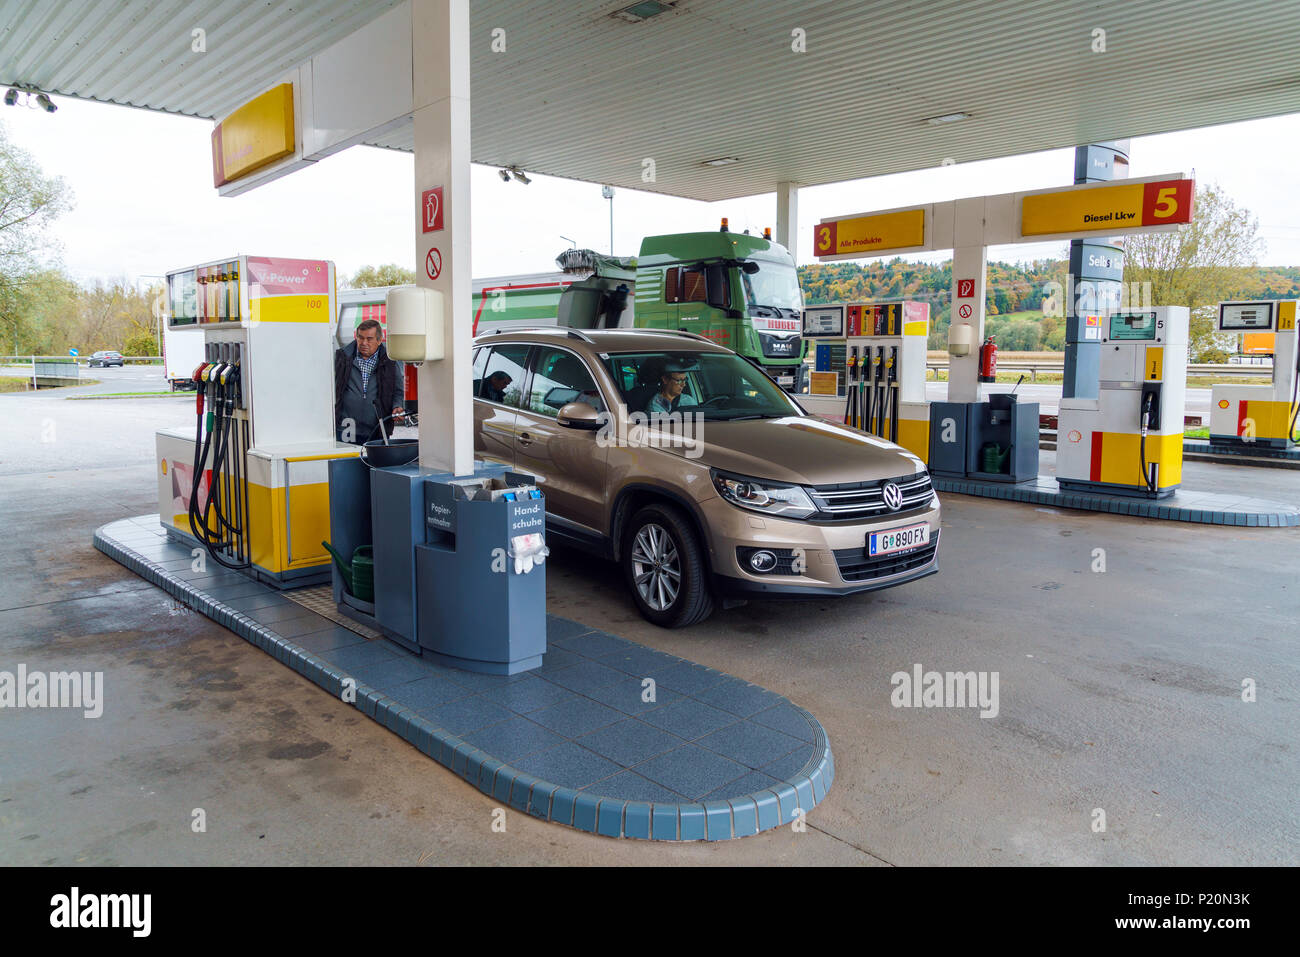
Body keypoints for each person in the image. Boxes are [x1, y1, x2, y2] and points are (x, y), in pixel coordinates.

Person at [334, 319, 404, 445]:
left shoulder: (391, 360)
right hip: (346, 427)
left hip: (378, 428)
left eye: (369, 339)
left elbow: (398, 390)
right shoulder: (343, 357)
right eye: (360, 338)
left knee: (374, 462)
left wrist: (397, 406)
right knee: (347, 462)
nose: (364, 343)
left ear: (379, 340)